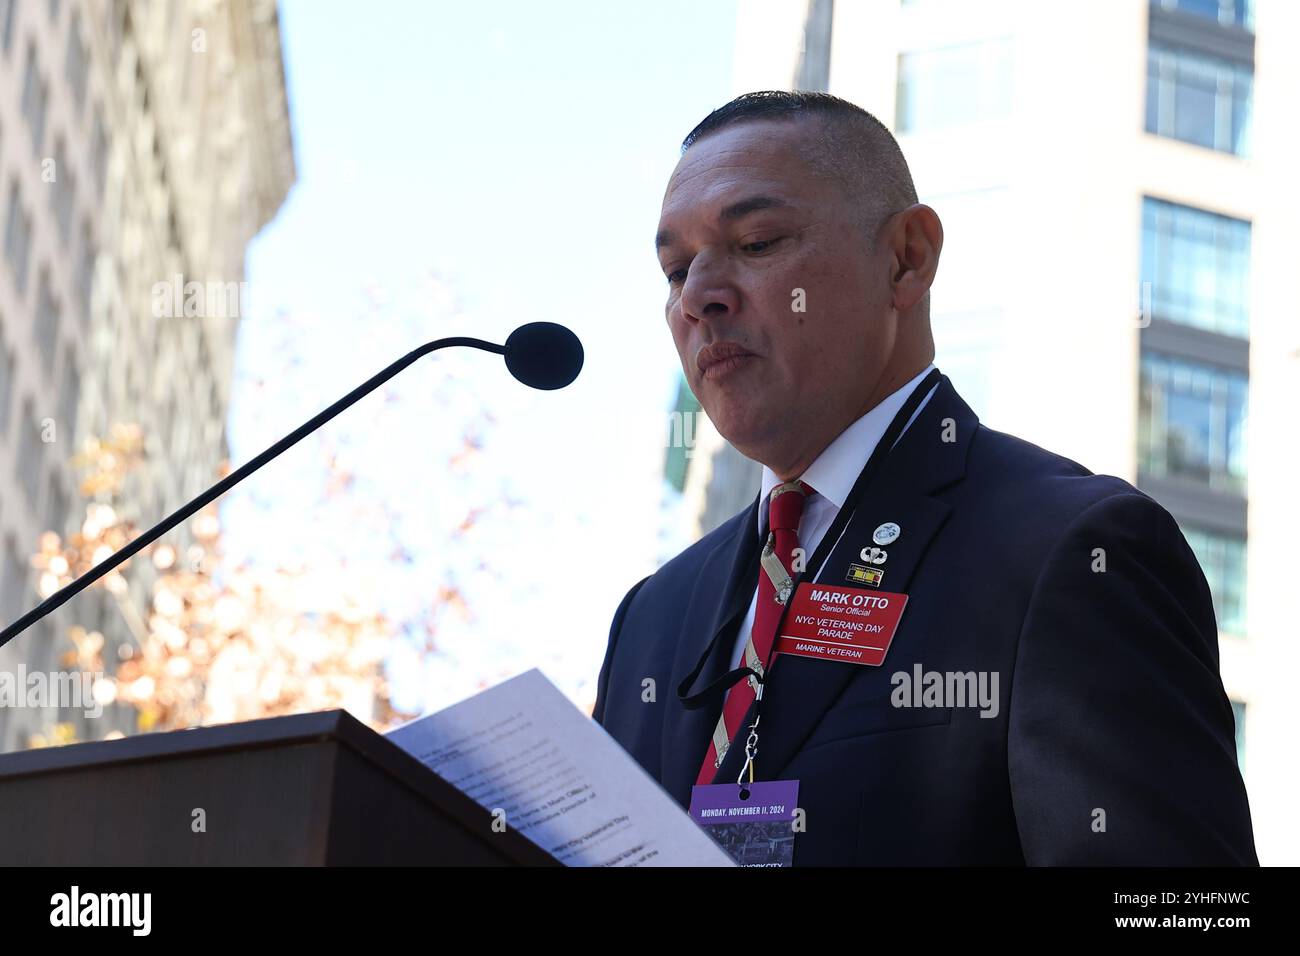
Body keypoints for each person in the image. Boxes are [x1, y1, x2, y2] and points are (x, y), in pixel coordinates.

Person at [591, 91, 1257, 866]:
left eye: (759, 242)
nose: (698, 297)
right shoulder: (653, 617)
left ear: (907, 257)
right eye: (675, 269)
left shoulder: (1073, 551)